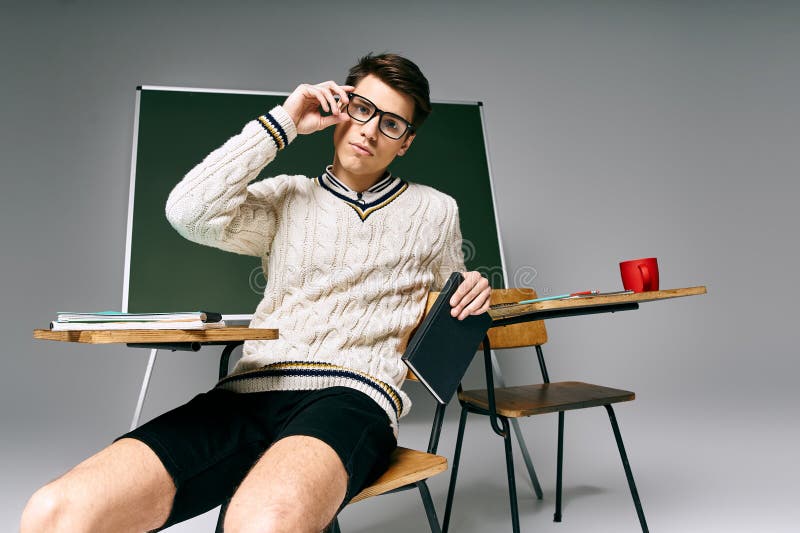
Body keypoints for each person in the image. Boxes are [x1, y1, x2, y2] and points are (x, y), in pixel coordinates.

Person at [21, 53, 491, 533]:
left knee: (263, 524)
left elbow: (446, 301)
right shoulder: (286, 197)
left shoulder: (436, 211)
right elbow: (188, 212)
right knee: (53, 512)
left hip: (353, 397)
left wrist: (471, 291)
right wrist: (284, 121)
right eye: (362, 109)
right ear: (342, 107)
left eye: (391, 124)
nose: (369, 130)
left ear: (406, 142)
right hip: (250, 391)